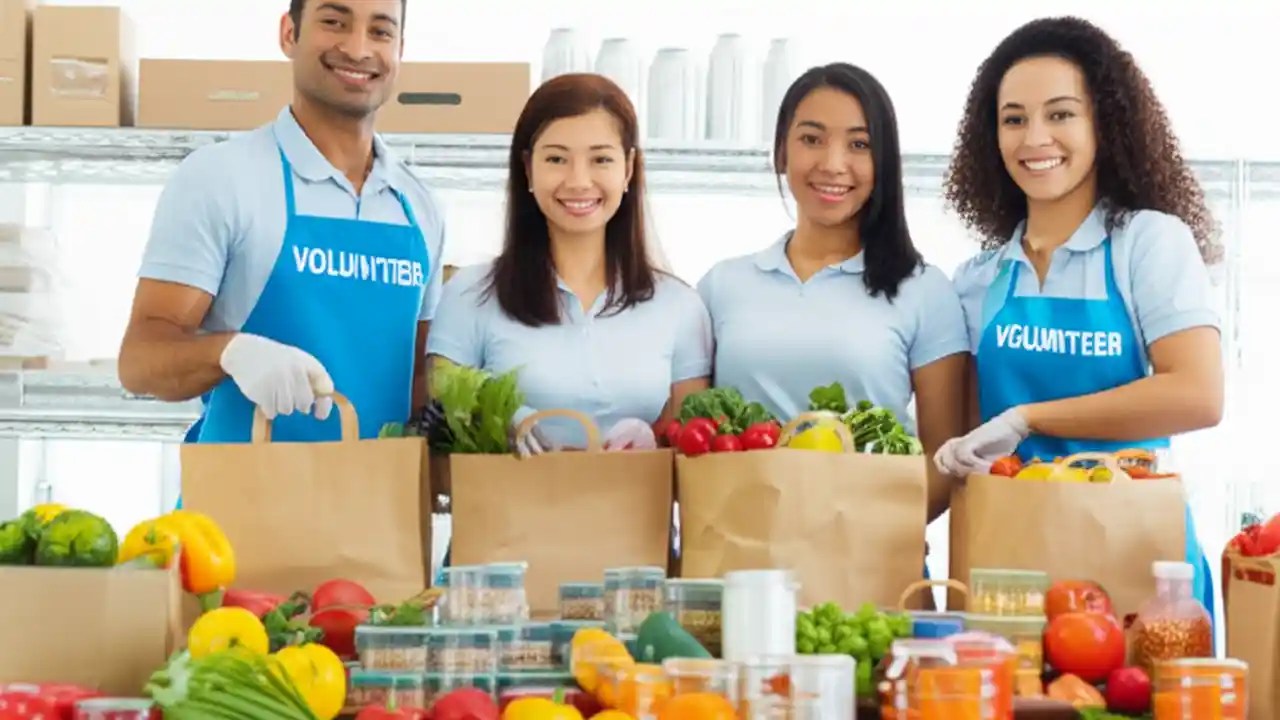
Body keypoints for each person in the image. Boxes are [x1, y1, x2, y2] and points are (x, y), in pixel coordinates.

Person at [934, 17, 1223, 621]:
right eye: (1014, 119)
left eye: (1061, 114)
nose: (1035, 137)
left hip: (1138, 565)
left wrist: (1029, 418)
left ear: (1104, 125)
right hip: (1010, 567)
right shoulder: (977, 280)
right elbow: (958, 443)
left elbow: (1197, 394)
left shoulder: (1146, 244)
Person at [118, 0, 444, 446]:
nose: (357, 48)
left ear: (400, 51)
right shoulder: (222, 177)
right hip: (239, 506)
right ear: (289, 33)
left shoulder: (418, 205)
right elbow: (140, 362)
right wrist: (231, 352)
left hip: (377, 507)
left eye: (381, 32)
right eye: (334, 22)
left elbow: (419, 383)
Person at [696, 63, 968, 522]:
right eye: (812, 139)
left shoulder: (924, 291)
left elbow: (944, 464)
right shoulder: (721, 286)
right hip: (743, 555)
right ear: (781, 151)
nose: (832, 164)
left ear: (883, 162)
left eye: (859, 144)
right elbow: (692, 442)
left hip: (871, 561)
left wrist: (857, 530)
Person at [426, 73, 712, 454]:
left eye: (601, 159)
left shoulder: (680, 306)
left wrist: (655, 438)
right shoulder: (470, 292)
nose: (578, 181)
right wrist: (497, 416)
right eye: (557, 158)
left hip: (634, 511)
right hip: (506, 511)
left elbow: (691, 444)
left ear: (628, 169)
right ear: (528, 168)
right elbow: (441, 403)